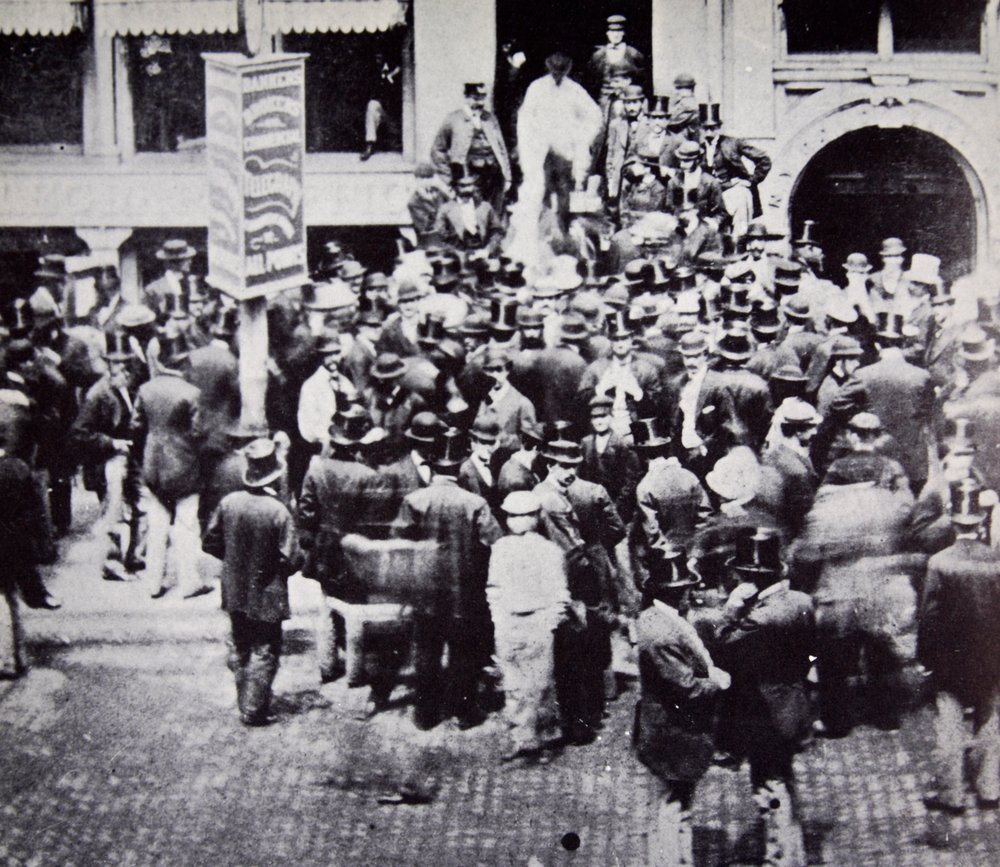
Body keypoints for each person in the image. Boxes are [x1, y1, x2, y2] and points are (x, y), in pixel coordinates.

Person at [715, 529, 814, 867]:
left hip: (764, 712)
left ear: (749, 577)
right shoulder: (802, 602)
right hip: (794, 704)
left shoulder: (760, 617)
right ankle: (793, 852)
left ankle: (779, 857)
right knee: (784, 779)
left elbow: (722, 644)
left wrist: (732, 607)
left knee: (768, 786)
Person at [391, 427, 502, 730]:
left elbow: (398, 546)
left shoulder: (414, 501)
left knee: (426, 651)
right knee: (463, 653)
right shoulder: (475, 504)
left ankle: (425, 715)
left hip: (424, 592)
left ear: (432, 464)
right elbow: (495, 543)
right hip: (465, 592)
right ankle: (463, 713)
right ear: (459, 465)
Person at [635, 546, 729, 866]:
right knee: (675, 803)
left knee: (677, 800)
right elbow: (686, 688)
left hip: (667, 726)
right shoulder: (662, 633)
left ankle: (677, 857)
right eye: (685, 589)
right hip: (673, 730)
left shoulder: (659, 617)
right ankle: (672, 860)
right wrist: (718, 683)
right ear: (676, 592)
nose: (690, 593)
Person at [203, 438, 300, 726]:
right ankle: (254, 709)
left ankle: (244, 698)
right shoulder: (278, 512)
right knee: (265, 648)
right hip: (268, 591)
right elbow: (293, 558)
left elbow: (210, 542)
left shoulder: (229, 503)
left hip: (234, 586)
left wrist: (234, 559)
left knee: (241, 644)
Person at [919, 479, 1000, 814]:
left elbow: (929, 616)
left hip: (951, 661)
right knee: (990, 721)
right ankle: (990, 788)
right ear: (981, 519)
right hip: (991, 657)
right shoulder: (996, 562)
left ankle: (951, 794)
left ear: (952, 519)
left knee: (949, 728)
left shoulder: (939, 562)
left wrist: (925, 657)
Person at [298, 406, 383, 684]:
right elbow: (374, 521)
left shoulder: (317, 469)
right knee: (355, 608)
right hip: (356, 550)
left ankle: (327, 665)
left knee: (327, 607)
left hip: (324, 550)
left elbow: (306, 513)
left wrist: (309, 543)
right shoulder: (368, 476)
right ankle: (355, 672)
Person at [487, 491, 571, 762]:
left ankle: (546, 738)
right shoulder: (500, 549)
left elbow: (560, 594)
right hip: (509, 622)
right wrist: (498, 618)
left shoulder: (550, 551)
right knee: (513, 684)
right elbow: (494, 588)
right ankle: (521, 737)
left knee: (541, 685)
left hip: (537, 621)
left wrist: (550, 622)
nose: (516, 521)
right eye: (512, 515)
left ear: (535, 517)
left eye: (522, 515)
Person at [131, 333, 204, 599]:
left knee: (157, 523)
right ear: (181, 361)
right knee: (186, 524)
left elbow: (136, 426)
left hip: (153, 464)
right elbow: (199, 432)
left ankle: (153, 582)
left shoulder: (146, 389)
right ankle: (188, 581)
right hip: (183, 465)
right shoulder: (191, 393)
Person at [516, 51, 603, 233]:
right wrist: (529, 145)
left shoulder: (574, 89)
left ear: (567, 71)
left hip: (565, 154)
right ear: (548, 69)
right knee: (540, 193)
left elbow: (595, 115)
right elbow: (524, 119)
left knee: (565, 195)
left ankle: (563, 232)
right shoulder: (537, 88)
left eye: (561, 72)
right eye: (554, 71)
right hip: (541, 152)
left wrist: (582, 139)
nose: (557, 75)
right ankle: (543, 233)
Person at [430, 83, 511, 214]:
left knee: (494, 214)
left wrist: (507, 176)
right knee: (473, 214)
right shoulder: (453, 119)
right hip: (468, 176)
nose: (480, 102)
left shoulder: (490, 118)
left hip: (494, 176)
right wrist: (448, 177)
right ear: (466, 97)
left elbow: (502, 148)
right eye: (475, 98)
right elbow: (437, 150)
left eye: (483, 98)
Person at [698, 103, 771, 240]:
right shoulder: (699, 149)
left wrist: (751, 181)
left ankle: (740, 245)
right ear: (701, 129)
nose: (709, 133)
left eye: (712, 128)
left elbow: (764, 160)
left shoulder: (732, 143)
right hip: (712, 195)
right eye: (705, 129)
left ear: (719, 128)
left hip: (733, 192)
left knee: (740, 221)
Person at [587, 14, 646, 114]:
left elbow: (641, 79)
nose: (615, 35)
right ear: (607, 33)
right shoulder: (598, 55)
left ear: (623, 33)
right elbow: (593, 80)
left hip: (626, 101)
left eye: (619, 31)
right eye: (612, 31)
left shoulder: (633, 54)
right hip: (605, 102)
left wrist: (627, 84)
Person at [361, 49, 401, 161]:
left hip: (397, 114)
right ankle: (370, 144)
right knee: (372, 105)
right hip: (383, 110)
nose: (378, 59)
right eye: (376, 56)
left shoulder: (398, 69)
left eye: (381, 56)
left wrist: (392, 75)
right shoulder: (374, 72)